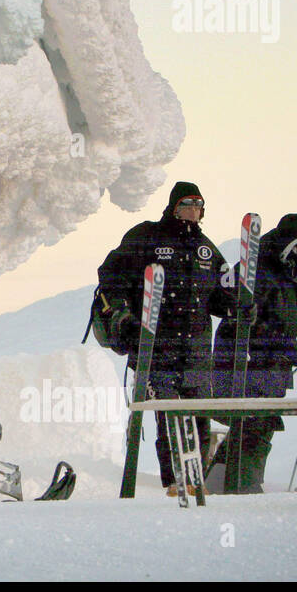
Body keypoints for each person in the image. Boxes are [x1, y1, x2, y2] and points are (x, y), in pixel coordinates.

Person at [98, 181, 236, 496]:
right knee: (170, 415)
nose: (193, 211)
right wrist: (124, 318)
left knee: (199, 416)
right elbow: (111, 274)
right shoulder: (147, 236)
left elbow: (221, 296)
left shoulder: (207, 250)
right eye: (187, 204)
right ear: (174, 206)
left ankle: (195, 480)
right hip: (157, 348)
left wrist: (238, 305)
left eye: (199, 206)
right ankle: (175, 482)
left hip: (198, 349)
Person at [209, 213, 297, 492]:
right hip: (245, 358)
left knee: (256, 423)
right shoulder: (254, 267)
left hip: (276, 362)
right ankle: (244, 486)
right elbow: (221, 300)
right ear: (287, 244)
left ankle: (221, 479)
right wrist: (240, 309)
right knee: (255, 421)